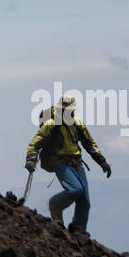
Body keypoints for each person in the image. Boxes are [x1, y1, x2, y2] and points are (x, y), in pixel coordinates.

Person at [24, 94, 111, 234]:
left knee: (85, 202)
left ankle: (78, 229)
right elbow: (36, 142)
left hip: (77, 164)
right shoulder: (52, 124)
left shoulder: (77, 123)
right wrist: (30, 159)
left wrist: (102, 161)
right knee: (75, 190)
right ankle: (55, 204)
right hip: (61, 163)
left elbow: (89, 144)